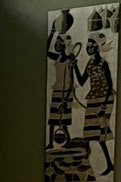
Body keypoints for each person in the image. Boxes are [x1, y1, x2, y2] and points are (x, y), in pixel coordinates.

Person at [75, 32, 115, 175]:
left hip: (105, 98)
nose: (88, 48)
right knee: (88, 132)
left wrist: (104, 106)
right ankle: (85, 161)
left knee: (100, 134)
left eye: (91, 45)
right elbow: (81, 81)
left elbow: (110, 85)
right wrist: (74, 66)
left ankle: (109, 164)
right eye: (88, 45)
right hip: (93, 98)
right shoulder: (90, 63)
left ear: (97, 47)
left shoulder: (103, 63)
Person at [46, 18, 75, 149]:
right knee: (53, 118)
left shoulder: (70, 60)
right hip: (57, 90)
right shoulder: (57, 58)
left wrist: (67, 98)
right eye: (56, 43)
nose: (57, 45)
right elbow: (46, 50)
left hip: (66, 91)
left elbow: (72, 80)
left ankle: (67, 140)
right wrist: (52, 32)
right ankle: (51, 143)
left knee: (64, 119)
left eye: (59, 43)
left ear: (64, 45)